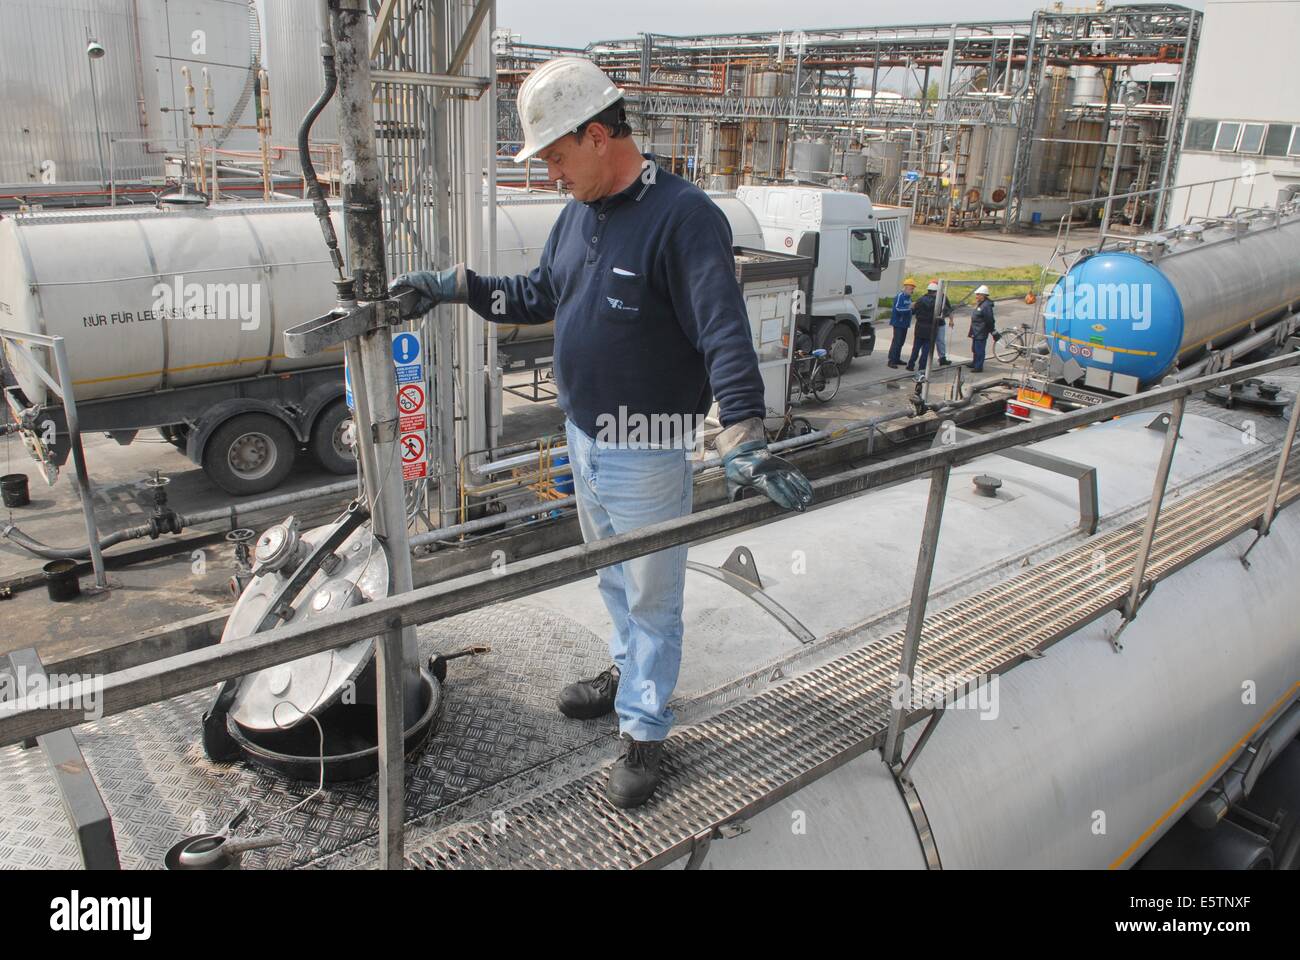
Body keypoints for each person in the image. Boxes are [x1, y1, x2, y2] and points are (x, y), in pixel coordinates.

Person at [389, 57, 814, 809]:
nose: (551, 173)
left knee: (653, 593)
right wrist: (457, 286)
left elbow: (723, 331)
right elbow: (536, 294)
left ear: (595, 135)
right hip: (584, 438)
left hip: (647, 445)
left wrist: (742, 432)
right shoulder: (579, 215)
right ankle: (628, 677)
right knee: (614, 576)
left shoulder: (684, 219)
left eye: (555, 155)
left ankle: (645, 730)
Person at [907, 281, 951, 372]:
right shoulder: (937, 302)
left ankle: (910, 365)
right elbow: (945, 312)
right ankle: (922, 367)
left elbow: (913, 311)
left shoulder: (920, 299)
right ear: (936, 292)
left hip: (919, 327)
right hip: (931, 328)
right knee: (926, 350)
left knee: (916, 347)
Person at [887, 277, 916, 368]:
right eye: (911, 289)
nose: (912, 291)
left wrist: (913, 309)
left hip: (904, 324)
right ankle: (891, 360)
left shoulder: (908, 297)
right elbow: (898, 308)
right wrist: (910, 308)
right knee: (897, 341)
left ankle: (896, 358)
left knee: (901, 342)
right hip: (898, 323)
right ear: (906, 288)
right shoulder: (900, 296)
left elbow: (909, 310)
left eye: (913, 289)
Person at [968, 284, 997, 372]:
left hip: (981, 331)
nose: (976, 296)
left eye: (978, 295)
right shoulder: (981, 304)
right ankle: (975, 362)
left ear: (983, 295)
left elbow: (989, 320)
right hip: (976, 330)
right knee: (974, 348)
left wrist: (992, 330)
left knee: (979, 349)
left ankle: (978, 366)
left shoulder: (986, 306)